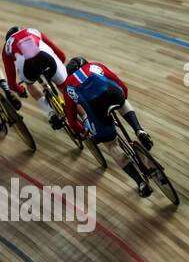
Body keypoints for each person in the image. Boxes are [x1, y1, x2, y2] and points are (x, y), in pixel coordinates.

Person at [60, 57, 157, 198]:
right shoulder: (94, 65)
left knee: (111, 145)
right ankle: (139, 130)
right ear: (84, 63)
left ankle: (141, 182)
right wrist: (122, 99)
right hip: (113, 94)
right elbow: (121, 85)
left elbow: (71, 119)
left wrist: (82, 130)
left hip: (97, 110)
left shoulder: (68, 85)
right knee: (123, 102)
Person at [2, 26, 68, 128]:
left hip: (28, 69)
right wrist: (58, 69)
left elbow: (11, 83)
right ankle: (84, 116)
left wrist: (20, 90)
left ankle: (50, 112)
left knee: (29, 84)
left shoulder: (7, 47)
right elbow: (61, 55)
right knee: (65, 87)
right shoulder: (33, 31)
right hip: (47, 59)